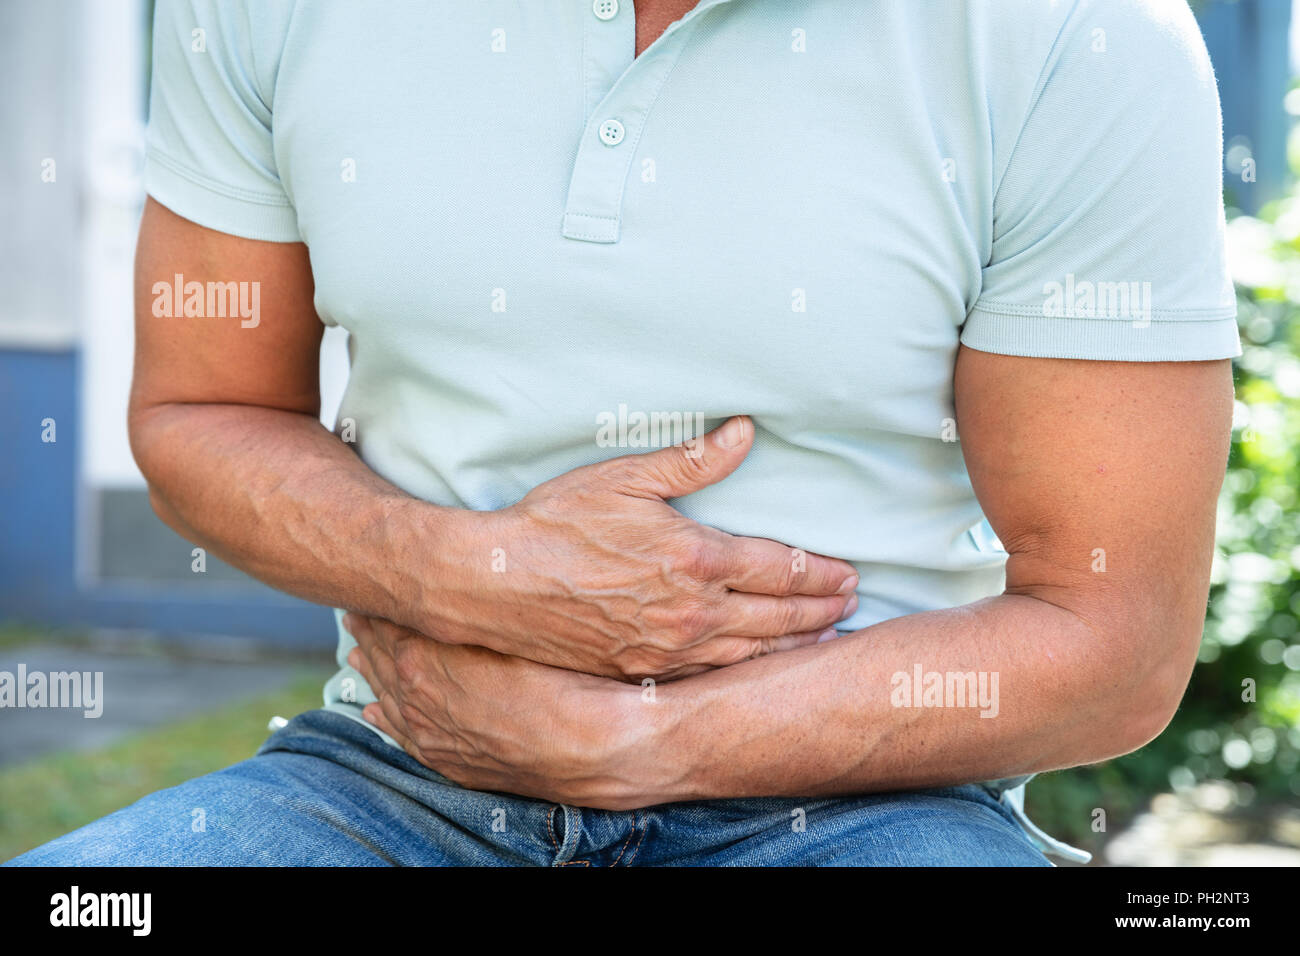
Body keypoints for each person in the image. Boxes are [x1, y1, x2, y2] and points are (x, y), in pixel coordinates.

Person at [9, 0, 1239, 866]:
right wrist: (466, 570)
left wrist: (640, 738)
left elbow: (1113, 636)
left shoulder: (1077, 34)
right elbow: (199, 413)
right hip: (397, 767)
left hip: (872, 808)